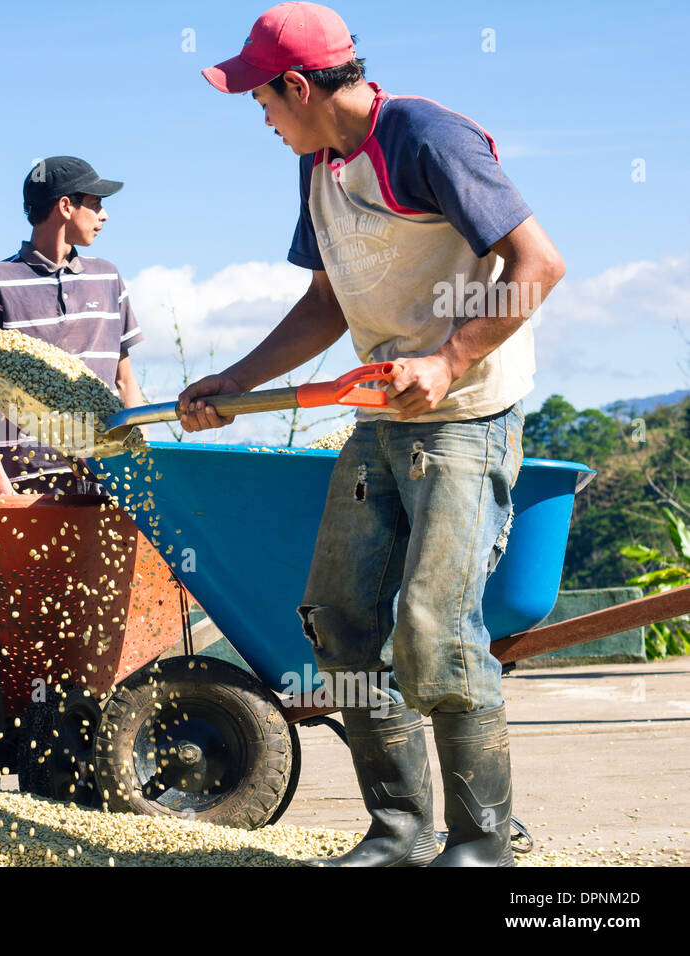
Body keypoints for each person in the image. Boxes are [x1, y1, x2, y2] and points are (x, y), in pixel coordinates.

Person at [180, 2, 566, 866]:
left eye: (264, 102)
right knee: (341, 620)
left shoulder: (426, 138)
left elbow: (539, 263)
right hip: (383, 416)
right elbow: (325, 304)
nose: (265, 119)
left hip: (465, 418)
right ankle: (400, 829)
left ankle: (484, 841)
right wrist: (234, 382)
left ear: (299, 84)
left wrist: (449, 358)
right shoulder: (318, 165)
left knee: (435, 628)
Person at [0, 156, 146, 497]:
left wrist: (140, 464)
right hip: (30, 486)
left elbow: (125, 381)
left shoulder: (109, 277)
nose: (104, 215)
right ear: (65, 206)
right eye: (95, 204)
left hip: (109, 480)